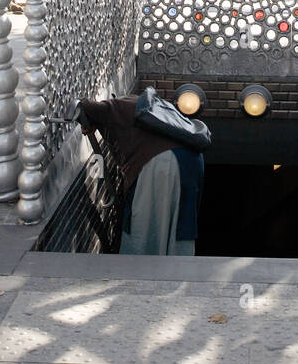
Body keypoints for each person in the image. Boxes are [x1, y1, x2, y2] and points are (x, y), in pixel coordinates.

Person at [78, 95, 205, 256]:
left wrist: (84, 116)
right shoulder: (143, 107)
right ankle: (175, 270)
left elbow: (84, 106)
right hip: (192, 161)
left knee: (144, 223)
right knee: (179, 223)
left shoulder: (110, 108)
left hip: (162, 162)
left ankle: (139, 271)